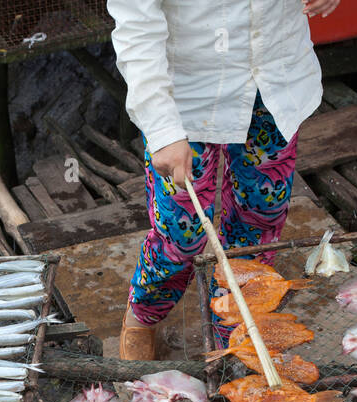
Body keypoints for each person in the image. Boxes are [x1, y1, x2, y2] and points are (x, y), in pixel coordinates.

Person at [106, 0, 341, 360]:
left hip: (276, 80)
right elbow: (137, 25)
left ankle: (236, 319)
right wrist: (162, 128)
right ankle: (143, 313)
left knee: (260, 215)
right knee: (181, 234)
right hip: (187, 97)